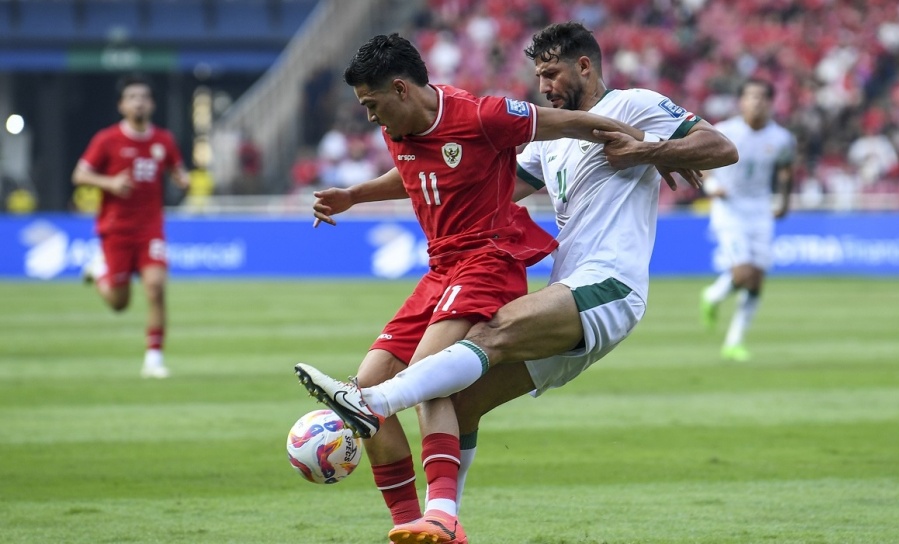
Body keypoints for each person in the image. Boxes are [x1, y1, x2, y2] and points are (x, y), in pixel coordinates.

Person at [295, 22, 738, 538]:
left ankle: (372, 403)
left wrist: (650, 151)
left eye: (551, 73)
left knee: (480, 340)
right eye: (538, 75)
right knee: (457, 398)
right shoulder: (545, 148)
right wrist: (358, 195)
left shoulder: (633, 104)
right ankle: (441, 525)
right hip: (562, 291)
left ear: (585, 66)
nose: (544, 84)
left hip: (610, 284)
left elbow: (720, 146)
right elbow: (468, 173)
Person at [73, 75, 190, 379]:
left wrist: (182, 179)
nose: (138, 102)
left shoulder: (163, 140)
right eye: (132, 97)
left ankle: (154, 358)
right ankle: (99, 272)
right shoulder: (107, 140)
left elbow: (177, 169)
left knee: (155, 288)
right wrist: (109, 182)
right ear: (122, 105)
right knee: (119, 303)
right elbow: (80, 175)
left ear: (151, 103)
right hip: (116, 229)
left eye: (144, 97)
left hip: (150, 227)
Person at [698, 77, 796, 361]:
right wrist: (711, 185)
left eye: (762, 97)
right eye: (750, 97)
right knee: (743, 273)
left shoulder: (782, 138)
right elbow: (702, 159)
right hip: (730, 209)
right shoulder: (724, 131)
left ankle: (734, 342)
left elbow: (787, 169)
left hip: (761, 210)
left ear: (771, 103)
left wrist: (784, 201)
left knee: (756, 281)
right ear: (741, 102)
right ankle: (713, 296)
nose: (756, 102)